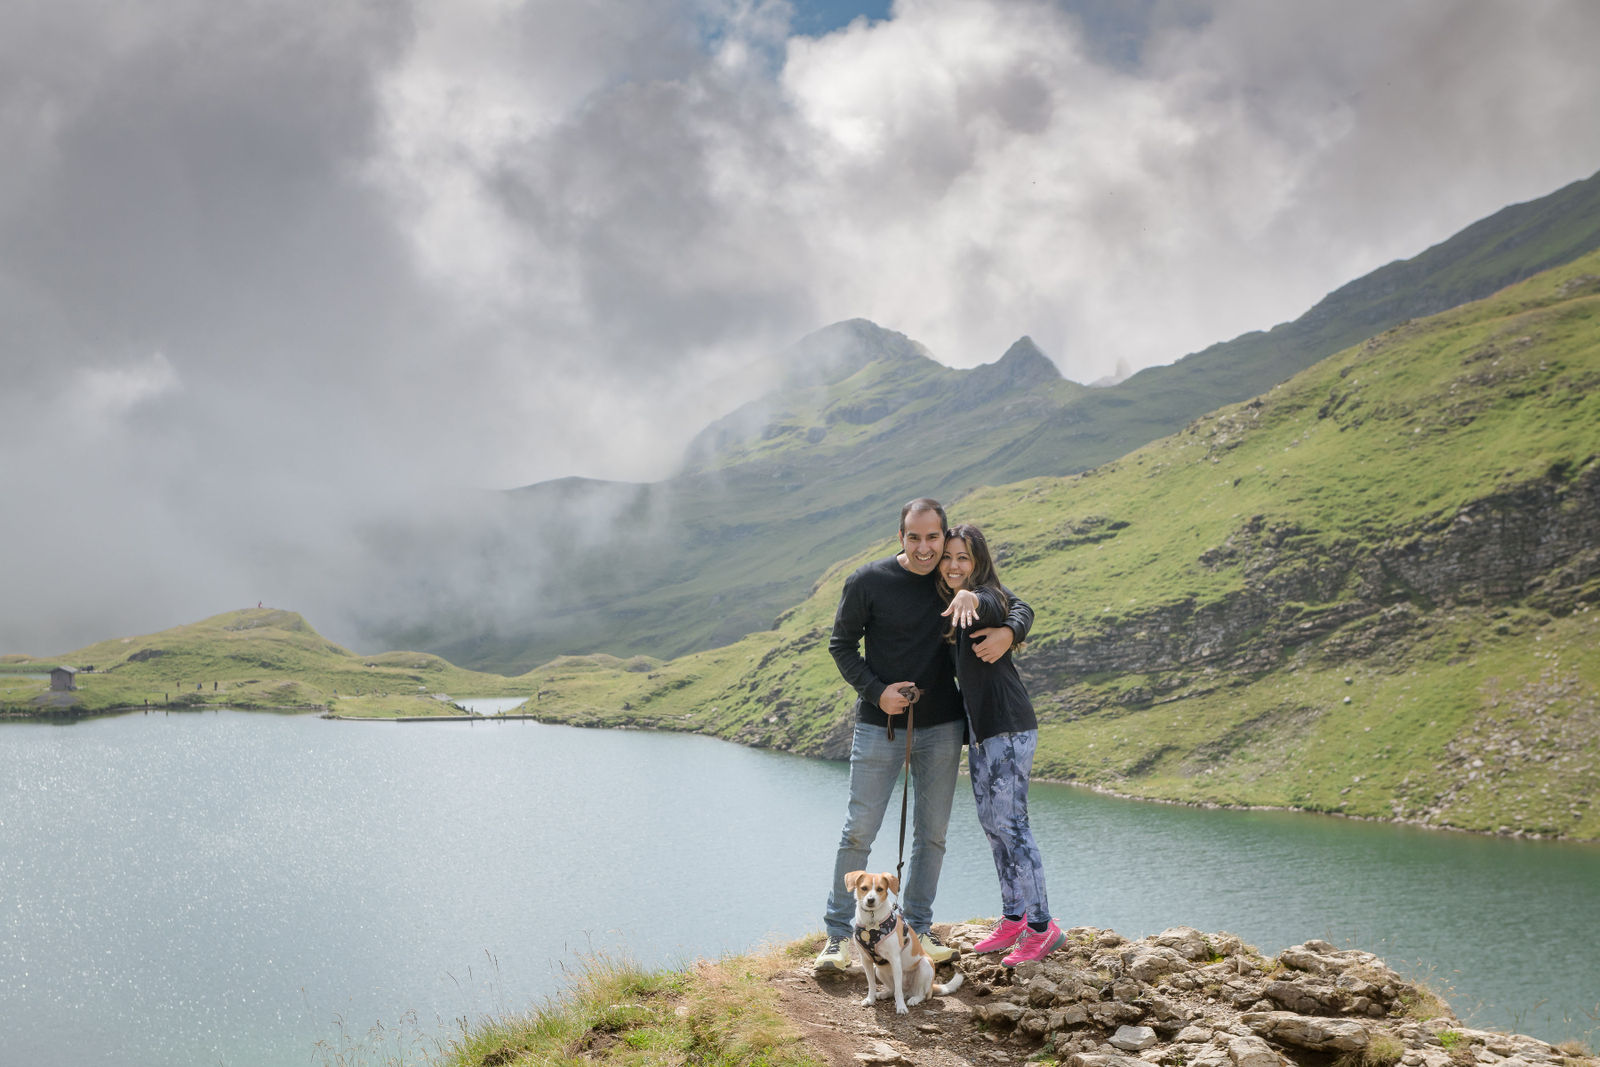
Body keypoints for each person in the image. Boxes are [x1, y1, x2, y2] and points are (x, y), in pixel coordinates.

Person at [814, 498, 1028, 974]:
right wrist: (877, 692)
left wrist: (1009, 633)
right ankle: (836, 937)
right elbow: (841, 645)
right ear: (901, 537)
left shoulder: (951, 582)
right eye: (915, 537)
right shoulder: (867, 582)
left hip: (943, 726)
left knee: (931, 836)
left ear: (945, 537)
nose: (926, 547)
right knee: (858, 830)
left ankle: (919, 929)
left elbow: (1016, 604)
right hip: (879, 724)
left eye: (934, 538)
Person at [937, 522, 1063, 966]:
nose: (954, 565)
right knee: (993, 827)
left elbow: (997, 601)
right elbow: (1019, 606)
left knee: (1013, 826)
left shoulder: (981, 596)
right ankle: (1013, 919)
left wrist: (981, 603)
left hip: (1009, 726)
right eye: (948, 556)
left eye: (963, 558)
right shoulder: (945, 597)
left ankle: (1043, 927)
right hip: (982, 732)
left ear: (978, 563)